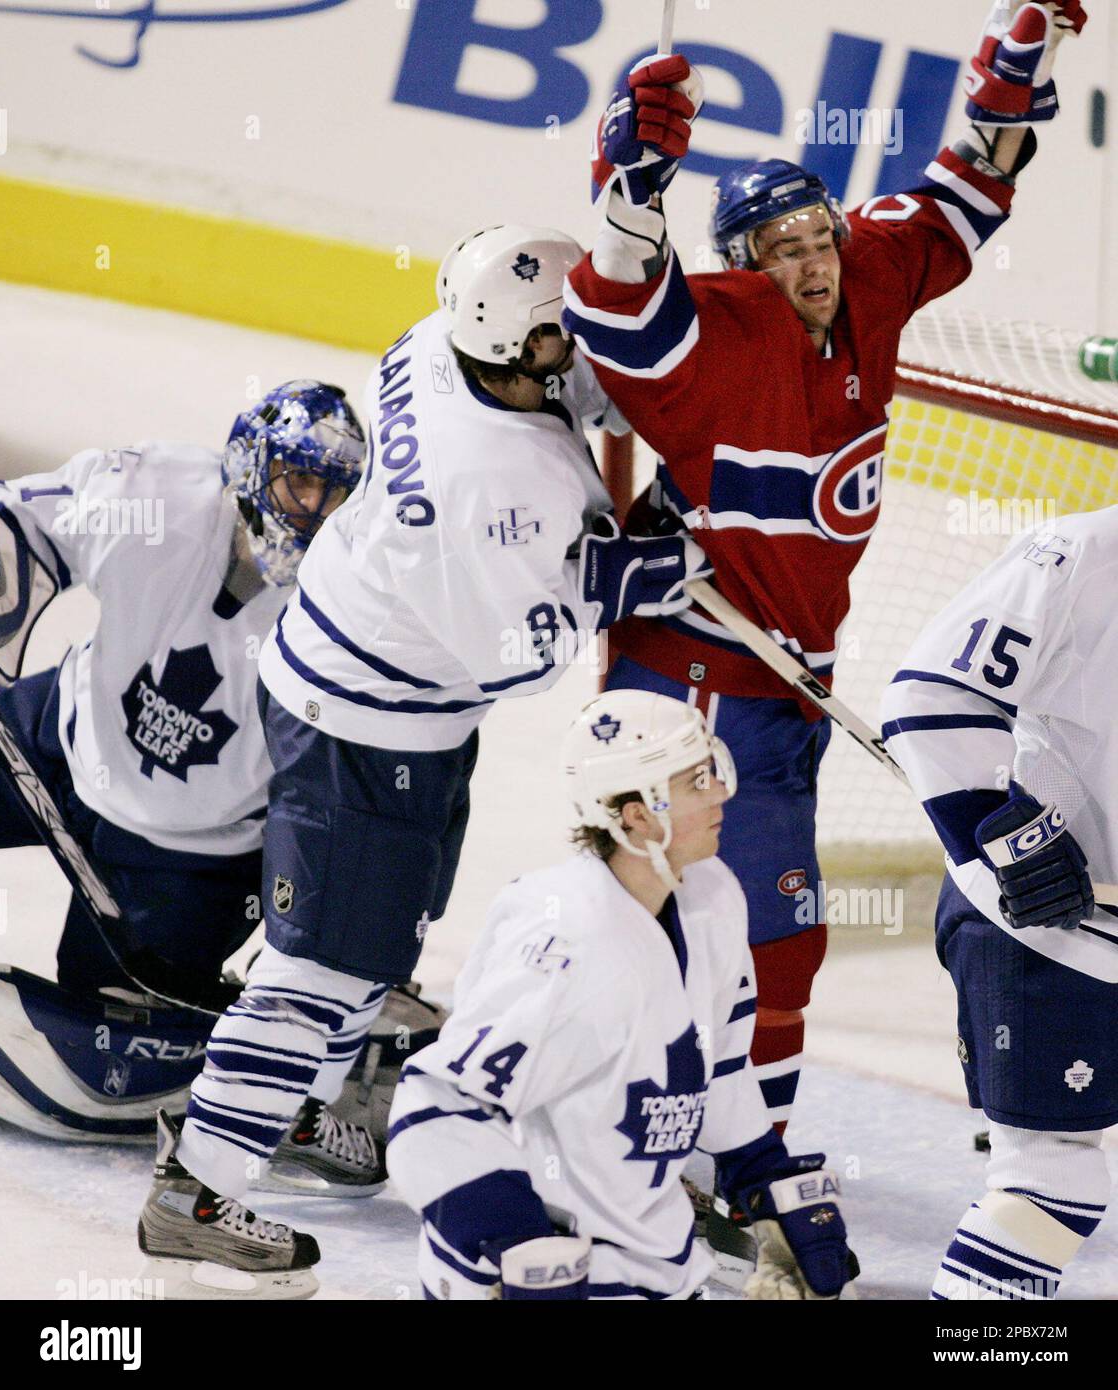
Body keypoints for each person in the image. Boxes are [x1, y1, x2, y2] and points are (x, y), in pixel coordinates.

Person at [137, 224, 711, 1300]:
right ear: (511, 338)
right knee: (325, 967)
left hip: (380, 700)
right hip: (368, 735)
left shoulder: (445, 343)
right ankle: (197, 1190)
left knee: (366, 948)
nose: (570, 341)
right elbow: (524, 655)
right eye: (558, 330)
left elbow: (566, 388)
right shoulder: (487, 479)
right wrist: (631, 574)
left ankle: (295, 1101)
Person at [561, 0, 1088, 1147]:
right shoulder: (719, 335)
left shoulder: (872, 274)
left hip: (782, 681)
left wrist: (1015, 63)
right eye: (782, 248)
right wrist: (630, 184)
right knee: (714, 928)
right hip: (695, 685)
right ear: (745, 267)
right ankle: (685, 1151)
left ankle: (730, 1156)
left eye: (819, 236)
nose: (812, 261)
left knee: (768, 939)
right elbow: (616, 308)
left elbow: (966, 186)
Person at [0, 382, 374, 1163]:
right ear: (247, 468)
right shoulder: (152, 496)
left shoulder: (360, 599)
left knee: (114, 1055)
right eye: (299, 484)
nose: (316, 513)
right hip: (61, 739)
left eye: (337, 497)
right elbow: (15, 524)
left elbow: (348, 790)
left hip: (195, 854)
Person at [385, 689, 856, 1301]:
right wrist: (515, 1242)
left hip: (658, 1264)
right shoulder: (563, 941)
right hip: (545, 1276)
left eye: (710, 771)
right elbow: (437, 1108)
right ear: (636, 815)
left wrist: (759, 1173)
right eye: (695, 783)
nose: (719, 792)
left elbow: (714, 1066)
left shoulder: (711, 895)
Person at [880, 508, 1118, 1299]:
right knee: (1049, 1189)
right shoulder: (1079, 555)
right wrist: (1014, 841)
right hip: (1053, 925)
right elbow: (931, 697)